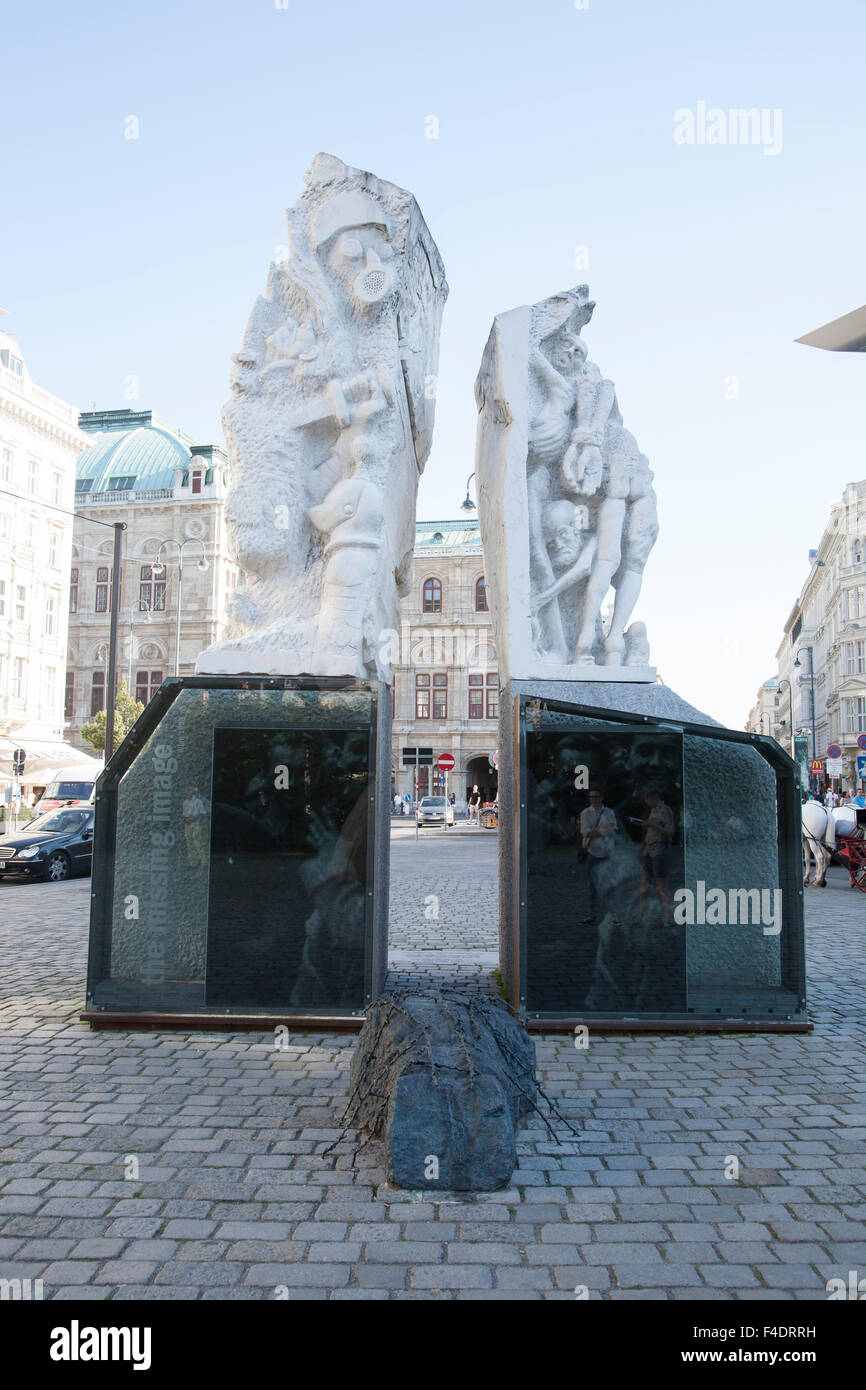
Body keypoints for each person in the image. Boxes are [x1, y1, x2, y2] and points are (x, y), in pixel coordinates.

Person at [630, 787, 676, 924]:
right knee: (644, 884)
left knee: (661, 885)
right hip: (649, 851)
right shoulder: (653, 810)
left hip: (658, 851)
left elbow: (670, 831)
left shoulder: (665, 810)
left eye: (647, 800)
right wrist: (646, 825)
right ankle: (640, 914)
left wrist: (652, 825)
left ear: (654, 797)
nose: (646, 803)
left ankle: (670, 916)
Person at [579, 788, 617, 922]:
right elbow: (585, 832)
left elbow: (612, 831)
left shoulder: (609, 812)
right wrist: (603, 830)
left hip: (607, 853)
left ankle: (613, 915)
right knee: (592, 886)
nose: (593, 799)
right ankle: (592, 915)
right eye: (591, 797)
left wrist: (595, 831)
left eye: (596, 796)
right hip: (592, 853)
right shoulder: (585, 813)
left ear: (602, 797)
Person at [182, 784, 208, 868]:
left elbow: (203, 814)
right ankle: (193, 862)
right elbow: (184, 815)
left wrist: (193, 818)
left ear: (193, 791)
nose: (188, 791)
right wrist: (186, 819)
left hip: (196, 823)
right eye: (186, 790)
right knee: (189, 844)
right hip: (187, 825)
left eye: (189, 790)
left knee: (197, 842)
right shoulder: (185, 802)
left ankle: (204, 862)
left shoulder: (198, 801)